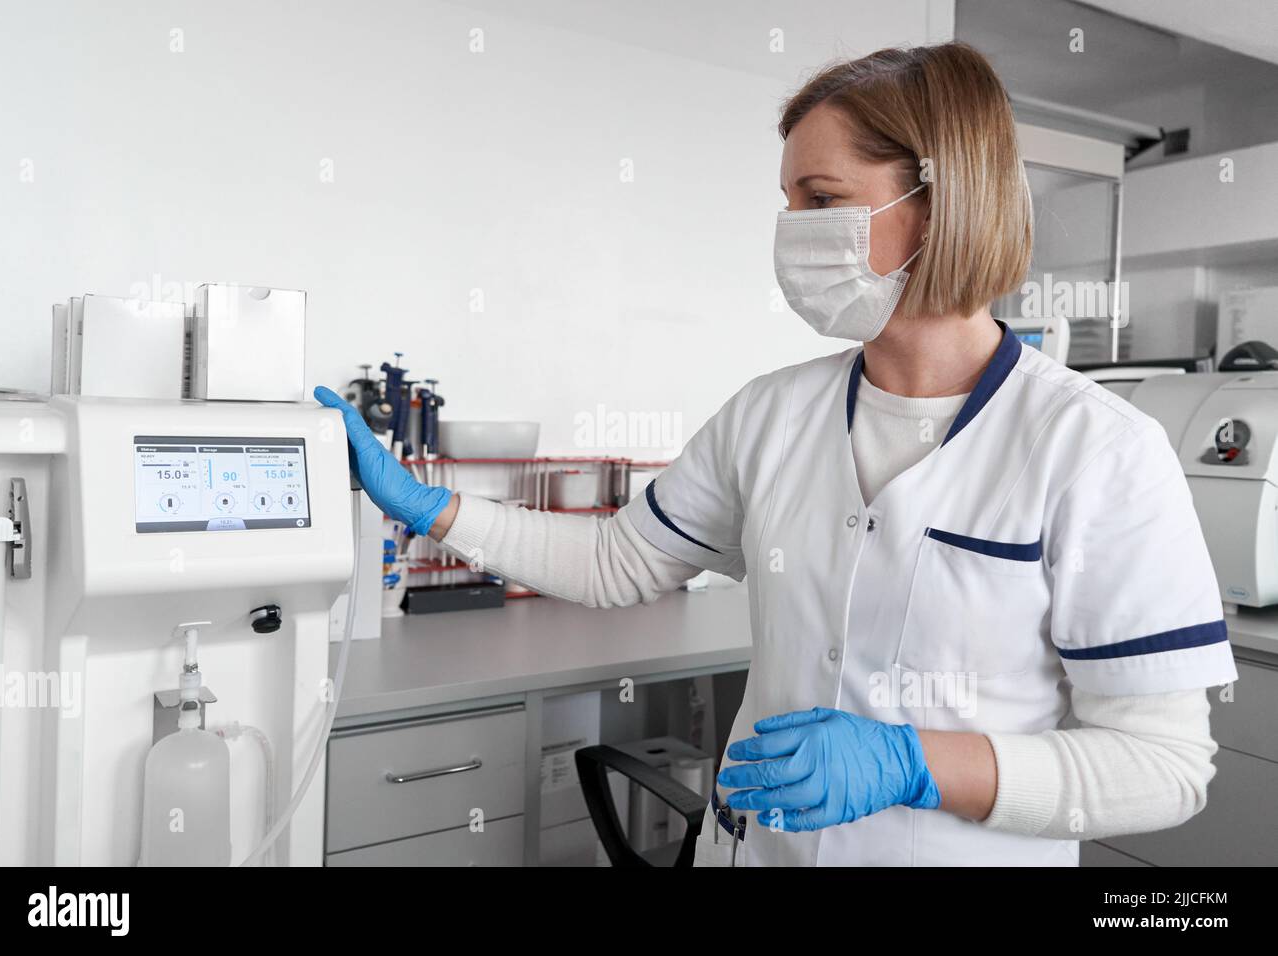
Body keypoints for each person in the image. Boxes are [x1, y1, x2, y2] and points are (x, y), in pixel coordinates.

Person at [316, 42, 1236, 866]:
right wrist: (429, 506)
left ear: (939, 198)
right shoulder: (775, 413)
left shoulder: (1098, 451)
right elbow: (618, 560)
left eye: (823, 200)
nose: (795, 231)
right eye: (789, 201)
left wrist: (914, 765)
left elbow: (1162, 767)